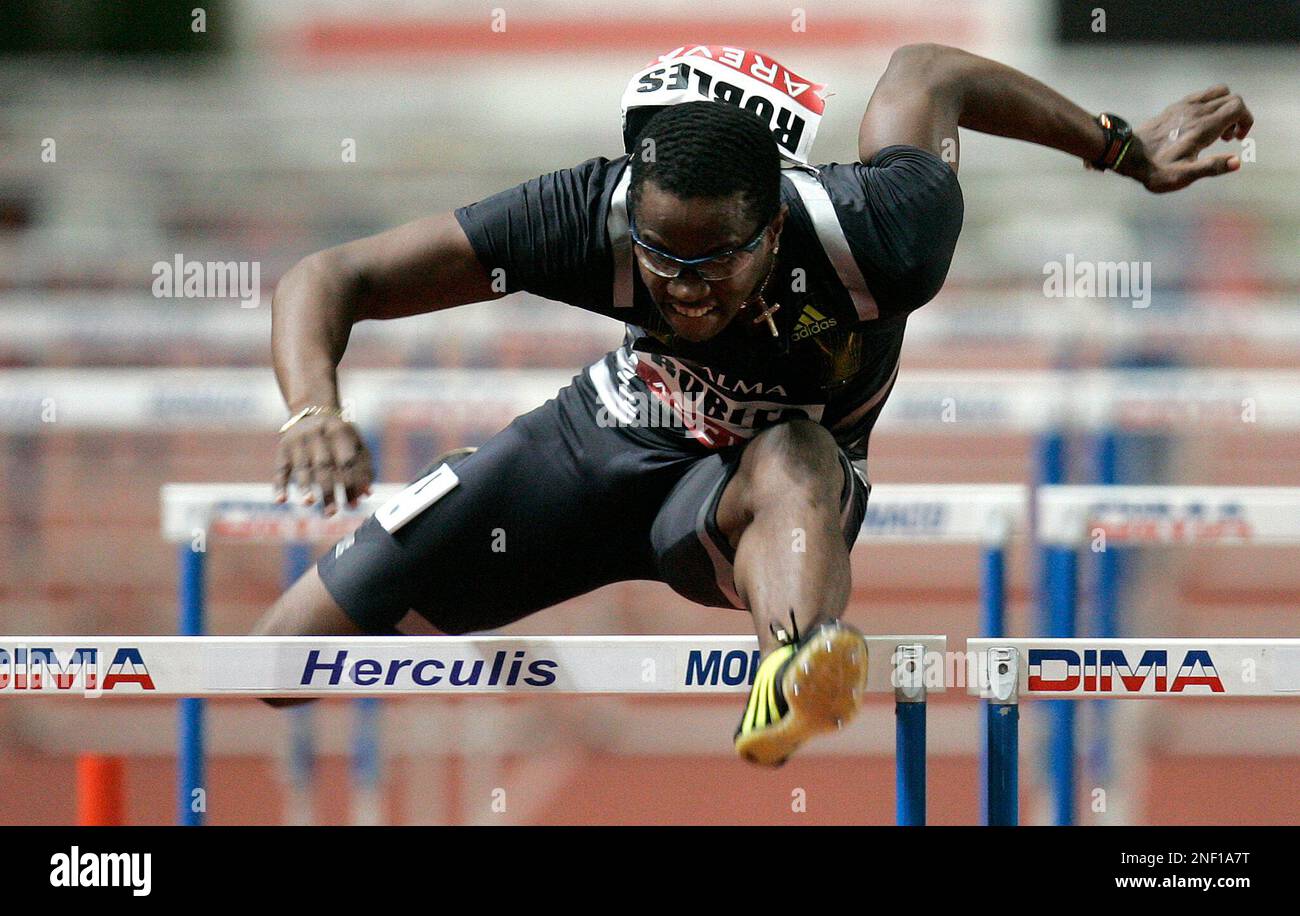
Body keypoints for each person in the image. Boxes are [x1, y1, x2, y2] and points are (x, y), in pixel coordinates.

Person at [253, 44, 1252, 766]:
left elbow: (927, 74)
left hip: (750, 503)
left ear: (774, 225)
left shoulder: (879, 231)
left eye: (714, 262)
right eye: (660, 260)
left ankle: (797, 666)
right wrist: (311, 410)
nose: (684, 288)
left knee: (798, 452)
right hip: (601, 439)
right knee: (281, 661)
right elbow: (331, 276)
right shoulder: (583, 215)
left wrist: (1120, 150)